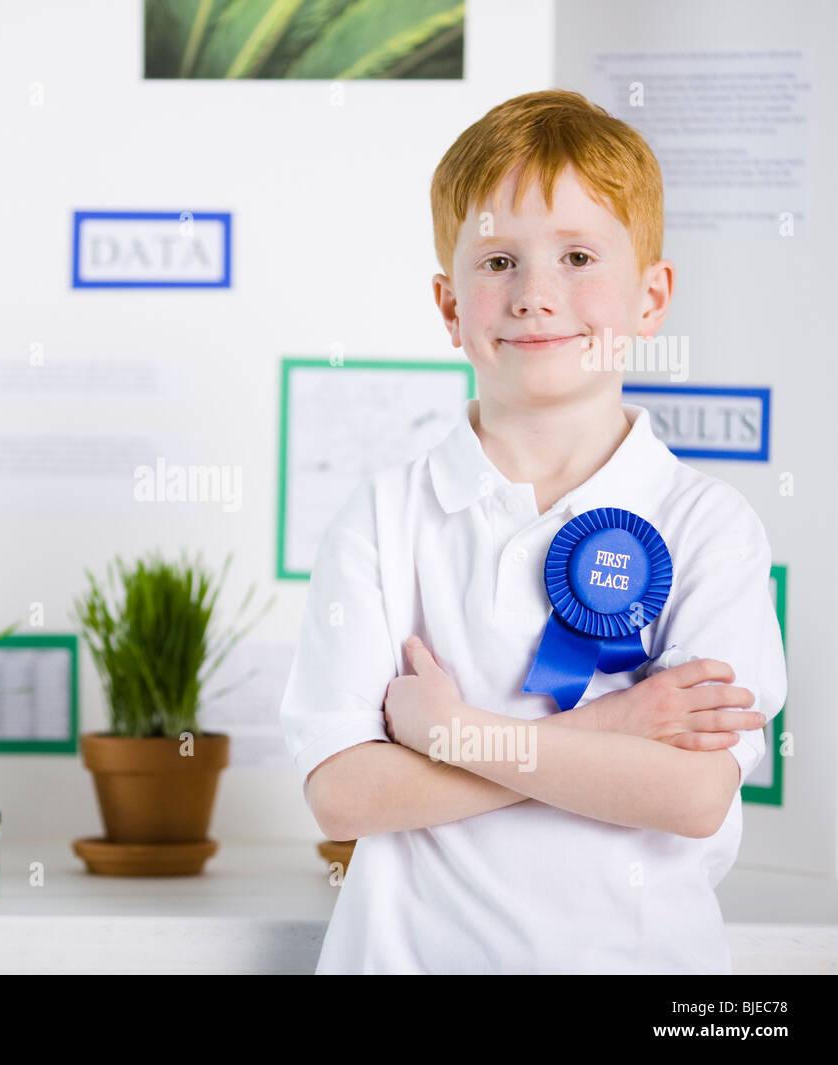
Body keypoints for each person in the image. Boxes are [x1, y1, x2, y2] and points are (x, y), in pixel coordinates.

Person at [278, 89, 787, 974]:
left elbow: (693, 792)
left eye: (579, 255)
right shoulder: (384, 519)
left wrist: (451, 733)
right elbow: (345, 796)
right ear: (449, 308)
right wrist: (615, 724)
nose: (536, 294)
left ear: (651, 296)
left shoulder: (712, 527)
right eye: (499, 260)